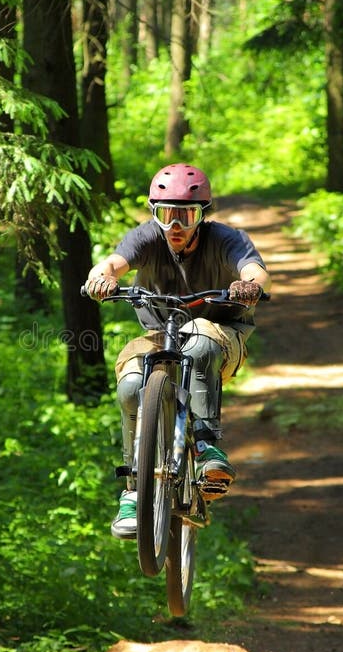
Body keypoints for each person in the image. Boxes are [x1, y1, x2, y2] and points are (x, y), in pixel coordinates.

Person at [85, 163, 271, 540]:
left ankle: (206, 450)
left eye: (186, 216)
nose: (175, 226)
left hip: (221, 332)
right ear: (155, 214)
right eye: (166, 215)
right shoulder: (146, 238)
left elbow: (254, 268)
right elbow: (114, 263)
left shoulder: (225, 239)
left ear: (202, 216)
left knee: (199, 336)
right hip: (160, 333)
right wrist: (101, 277)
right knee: (130, 384)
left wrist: (248, 286)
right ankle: (134, 491)